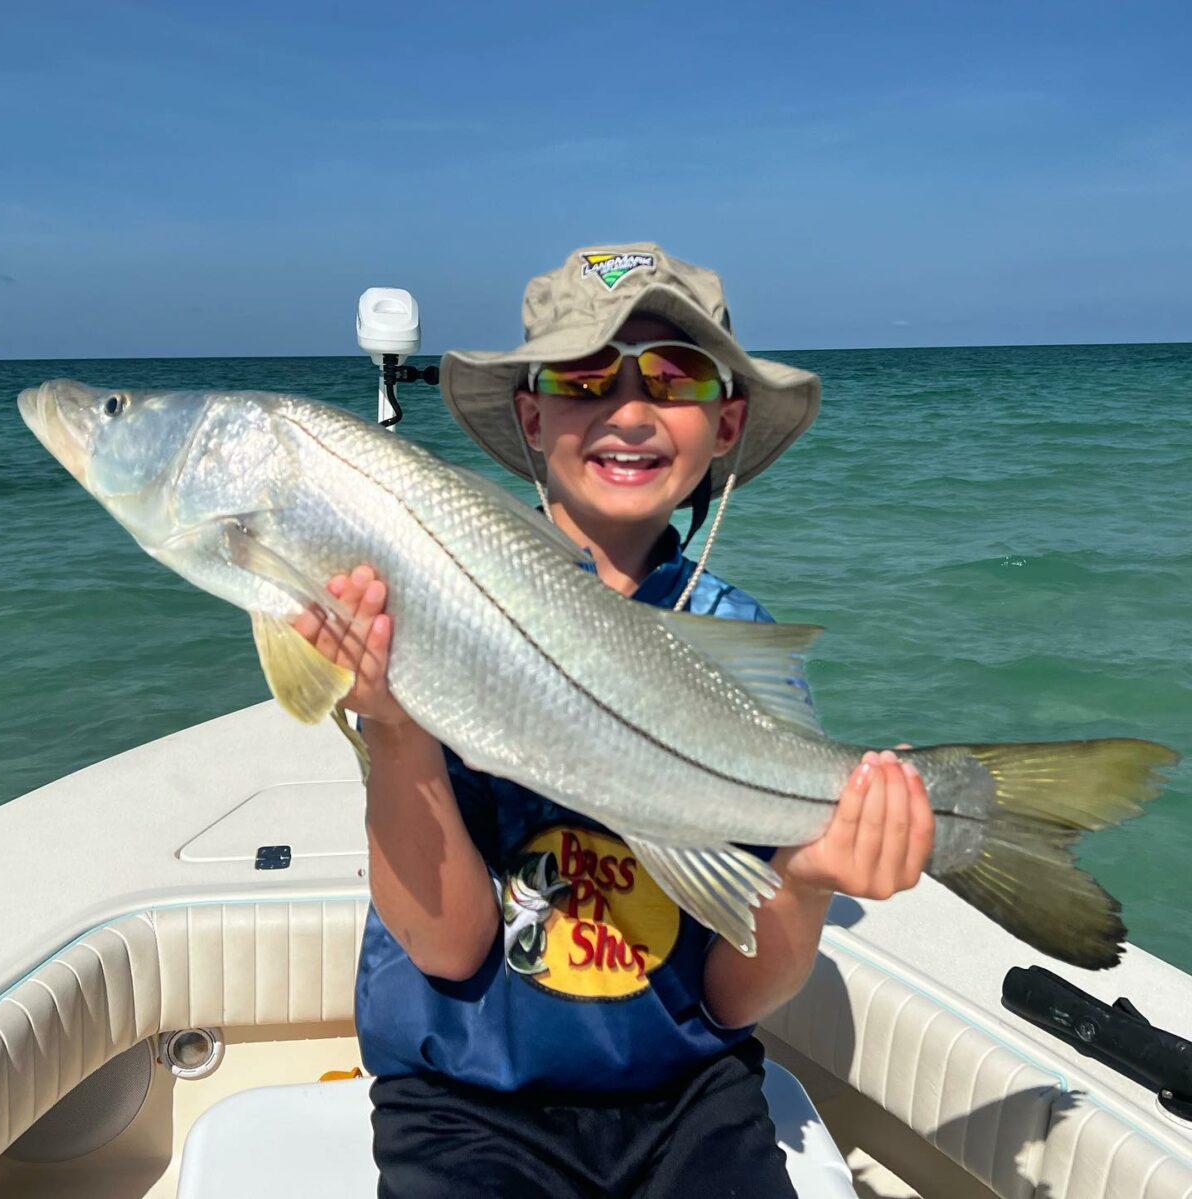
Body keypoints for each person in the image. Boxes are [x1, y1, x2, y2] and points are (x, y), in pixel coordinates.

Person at [295, 244, 935, 1197]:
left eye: (673, 375)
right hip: (464, 1100)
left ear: (724, 424)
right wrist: (393, 725)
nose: (629, 408)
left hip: (689, 1095)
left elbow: (730, 994)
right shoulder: (428, 604)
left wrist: (804, 882)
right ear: (530, 413)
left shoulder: (732, 635)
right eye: (584, 374)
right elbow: (449, 947)